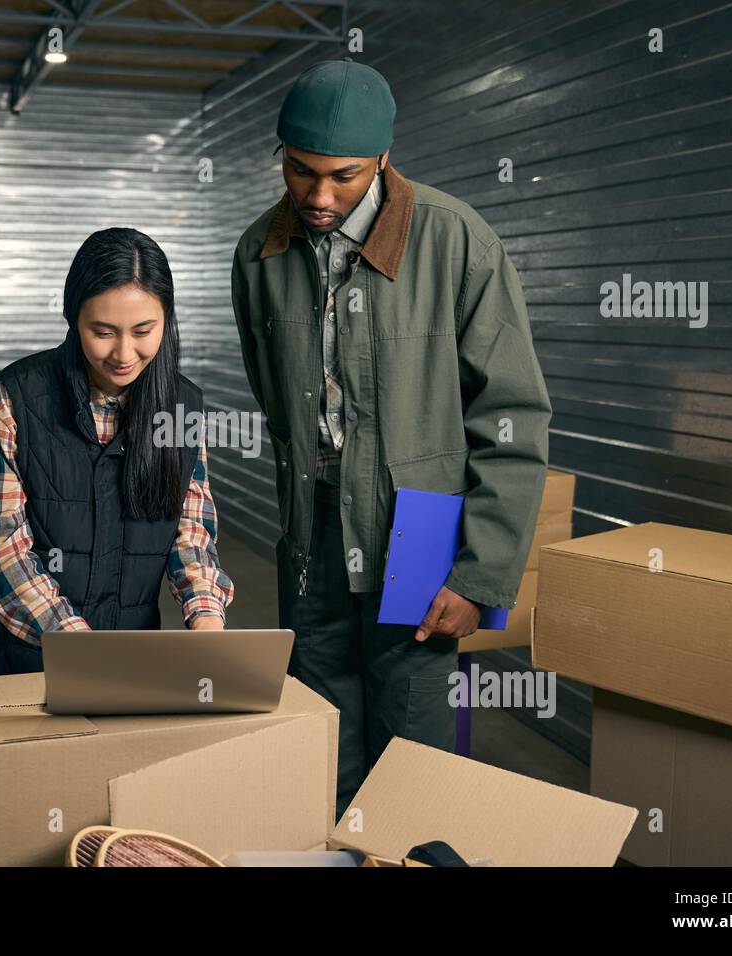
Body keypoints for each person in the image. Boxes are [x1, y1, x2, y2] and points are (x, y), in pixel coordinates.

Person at [230, 58, 552, 818]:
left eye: (341, 177)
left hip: (418, 537)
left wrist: (481, 575)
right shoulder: (259, 253)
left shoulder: (457, 242)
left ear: (383, 158)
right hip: (311, 534)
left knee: (413, 761)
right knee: (319, 748)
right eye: (300, 171)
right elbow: (276, 403)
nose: (317, 196)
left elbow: (513, 417)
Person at [0, 228, 234, 678]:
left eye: (144, 331)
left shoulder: (182, 408)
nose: (124, 354)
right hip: (27, 658)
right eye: (102, 332)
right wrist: (73, 641)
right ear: (73, 318)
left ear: (166, 319)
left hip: (133, 662)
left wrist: (206, 615)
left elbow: (191, 533)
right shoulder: (17, 398)